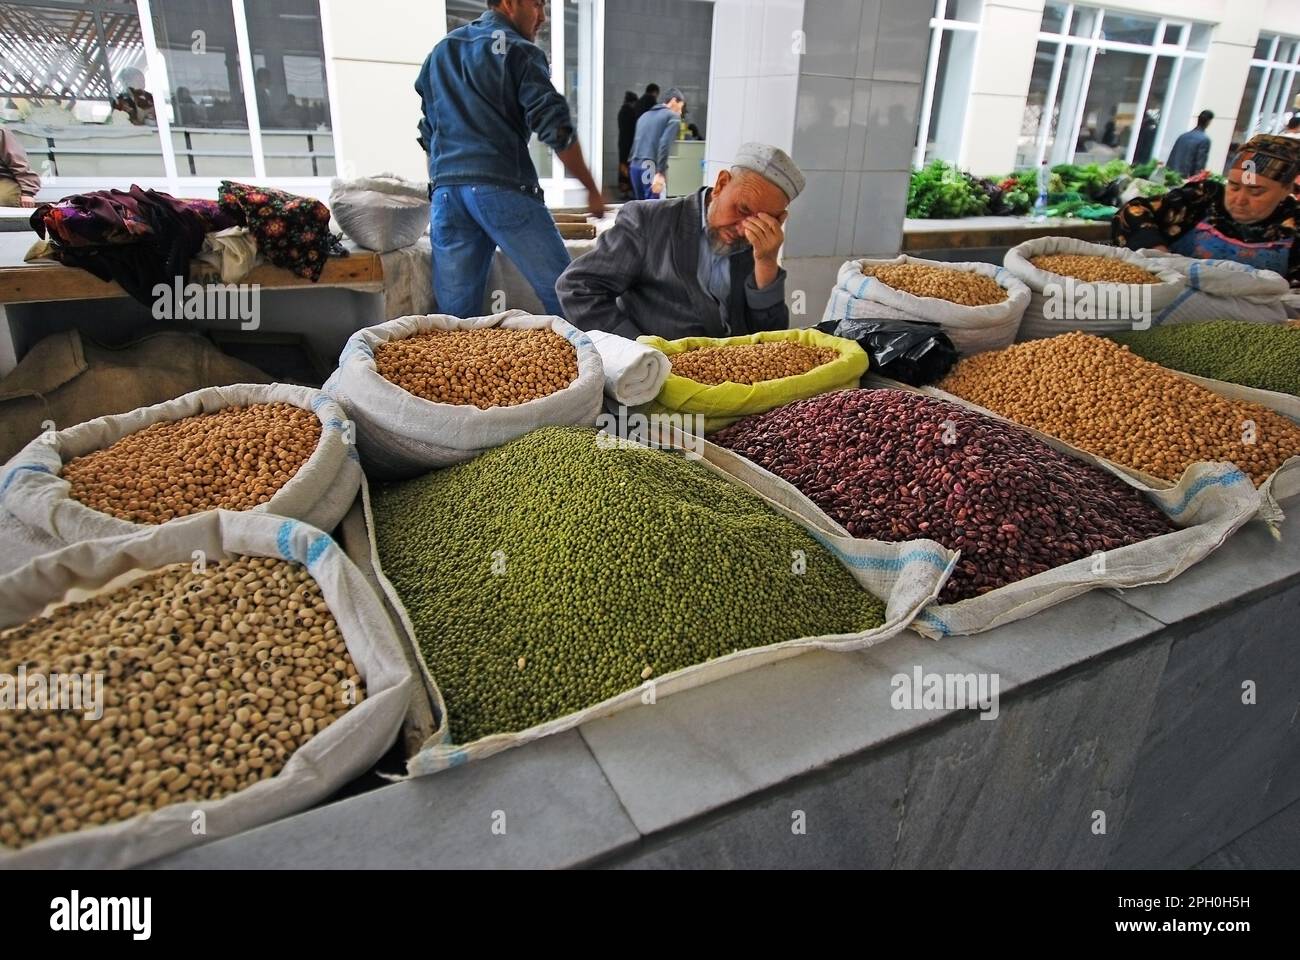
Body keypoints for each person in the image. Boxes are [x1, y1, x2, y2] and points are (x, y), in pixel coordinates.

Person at [415, 0, 604, 318]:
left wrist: (451, 177)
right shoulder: (518, 50)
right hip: (501, 189)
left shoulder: (441, 52)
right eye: (537, 5)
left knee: (454, 320)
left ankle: (464, 368)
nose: (542, 17)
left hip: (447, 195)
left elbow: (428, 133)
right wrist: (591, 188)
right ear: (509, 3)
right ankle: (591, 364)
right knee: (568, 296)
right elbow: (555, 126)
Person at [556, 142, 804, 340]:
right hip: (659, 378)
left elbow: (772, 338)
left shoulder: (758, 242)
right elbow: (578, 288)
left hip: (733, 381)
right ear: (721, 184)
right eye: (741, 209)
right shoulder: (649, 221)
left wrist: (767, 262)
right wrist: (639, 352)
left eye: (761, 220)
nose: (743, 229)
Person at [1113, 134, 1300, 285]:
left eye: (1256, 192)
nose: (1240, 199)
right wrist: (1158, 253)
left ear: (1287, 190)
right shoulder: (1203, 198)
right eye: (1233, 186)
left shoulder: (1294, 225)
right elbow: (1133, 211)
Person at [628, 87, 685, 200]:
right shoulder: (673, 117)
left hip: (634, 166)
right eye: (681, 107)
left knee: (641, 209)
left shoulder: (644, 116)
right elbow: (664, 144)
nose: (681, 111)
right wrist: (660, 173)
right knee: (656, 210)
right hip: (649, 167)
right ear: (674, 101)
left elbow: (636, 143)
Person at [0, 124, 39, 207]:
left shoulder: (1, 131)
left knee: (3, 198)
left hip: (4, 179)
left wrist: (28, 193)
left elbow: (18, 163)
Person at [1166, 110, 1214, 177]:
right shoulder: (1204, 140)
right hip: (1185, 180)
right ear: (1208, 122)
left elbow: (1172, 157)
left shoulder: (1182, 136)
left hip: (1170, 176)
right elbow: (1199, 165)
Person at [616, 91, 637, 200]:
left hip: (622, 141)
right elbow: (633, 129)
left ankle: (623, 189)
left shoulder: (621, 111)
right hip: (628, 143)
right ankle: (627, 189)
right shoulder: (630, 112)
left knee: (622, 163)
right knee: (626, 165)